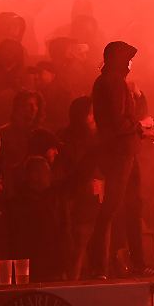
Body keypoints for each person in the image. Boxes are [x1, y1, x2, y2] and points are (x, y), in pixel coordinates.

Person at [90, 41, 154, 278]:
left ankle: (135, 263)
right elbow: (119, 124)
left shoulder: (109, 82)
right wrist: (142, 124)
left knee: (132, 206)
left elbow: (118, 124)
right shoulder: (113, 83)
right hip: (119, 155)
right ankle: (100, 265)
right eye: (128, 59)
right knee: (112, 207)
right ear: (119, 60)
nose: (131, 64)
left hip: (126, 152)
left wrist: (141, 133)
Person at [56, 97, 103, 280]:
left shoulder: (100, 137)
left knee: (95, 243)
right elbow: (69, 171)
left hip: (96, 200)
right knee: (78, 245)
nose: (94, 116)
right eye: (90, 113)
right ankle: (73, 283)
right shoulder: (67, 139)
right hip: (76, 201)